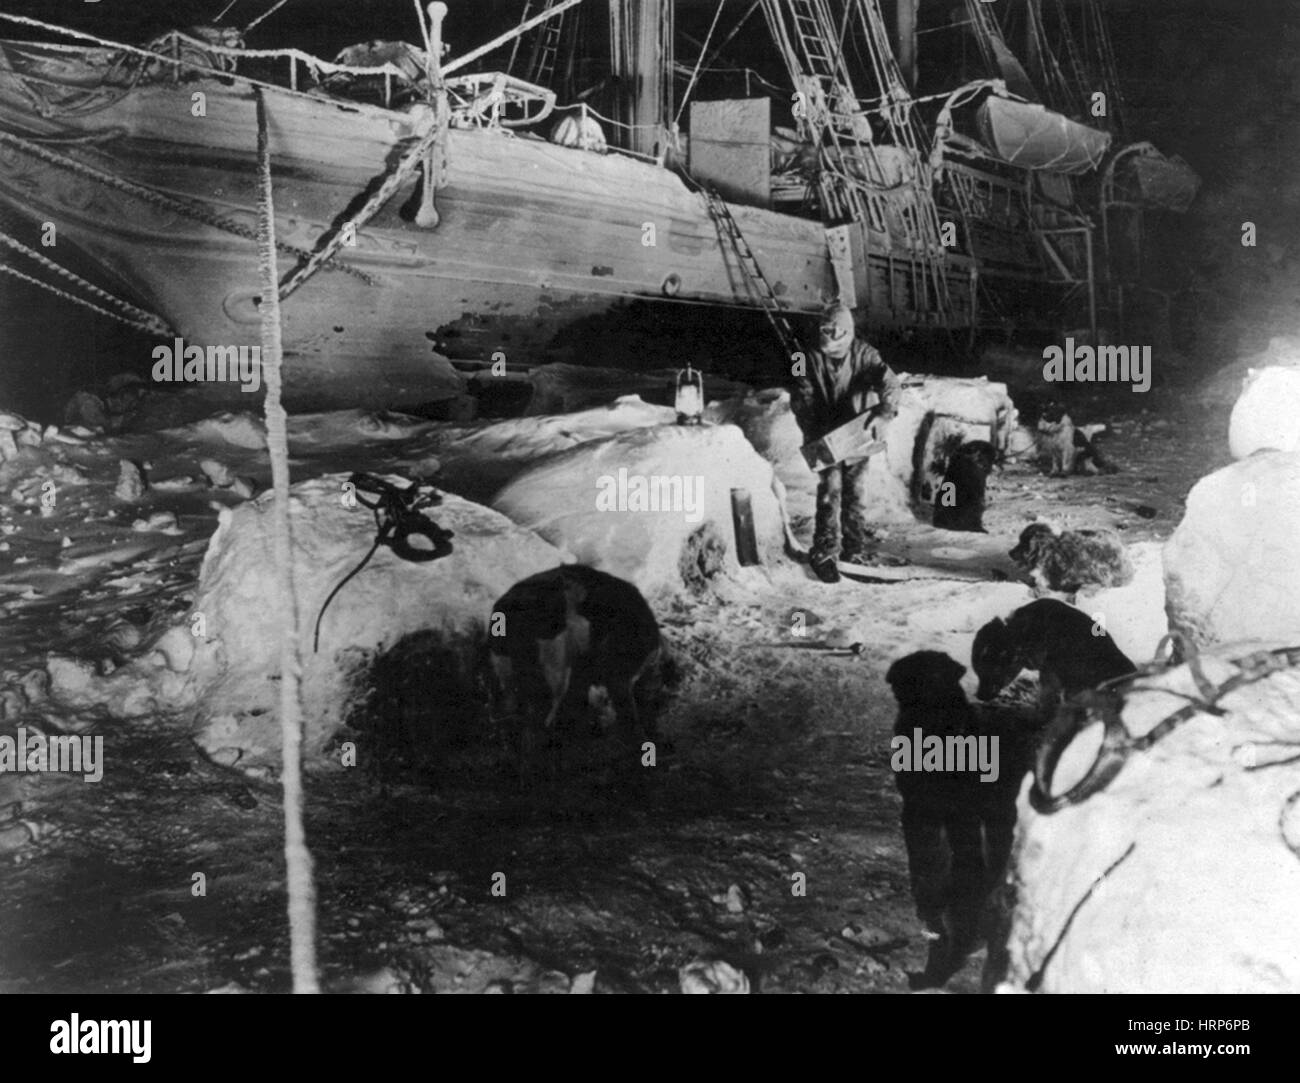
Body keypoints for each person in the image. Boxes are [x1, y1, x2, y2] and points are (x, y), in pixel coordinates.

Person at [791, 303, 901, 583]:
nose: (831, 335)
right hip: (824, 435)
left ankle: (855, 550)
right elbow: (801, 394)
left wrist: (885, 412)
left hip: (857, 433)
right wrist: (814, 431)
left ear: (849, 331)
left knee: (856, 494)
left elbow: (889, 382)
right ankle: (826, 549)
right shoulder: (804, 357)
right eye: (825, 329)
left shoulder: (865, 354)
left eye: (837, 330)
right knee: (830, 491)